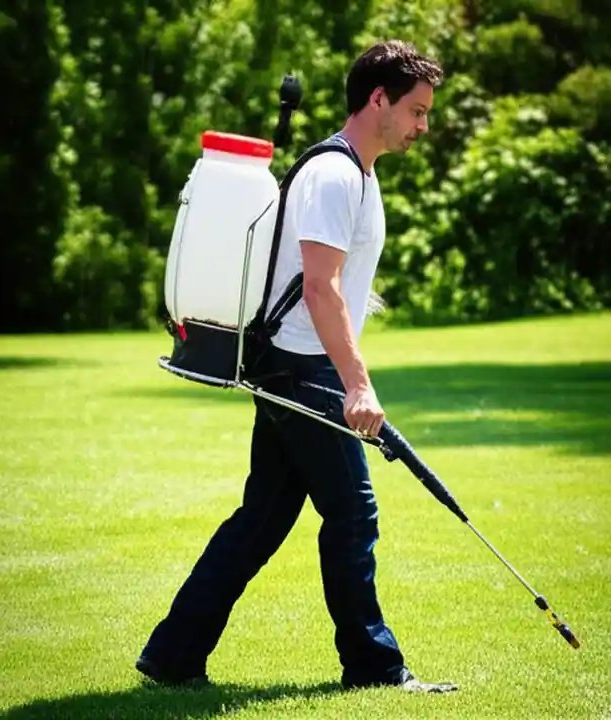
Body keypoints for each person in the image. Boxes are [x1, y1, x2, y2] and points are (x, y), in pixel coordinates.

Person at [138, 41, 457, 693]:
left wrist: (359, 302)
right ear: (378, 101)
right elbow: (319, 287)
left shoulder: (357, 176)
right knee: (354, 513)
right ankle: (374, 668)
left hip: (298, 363)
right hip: (302, 369)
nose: (423, 126)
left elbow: (327, 280)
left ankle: (172, 657)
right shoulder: (335, 175)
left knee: (261, 518)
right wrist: (358, 385)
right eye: (417, 112)